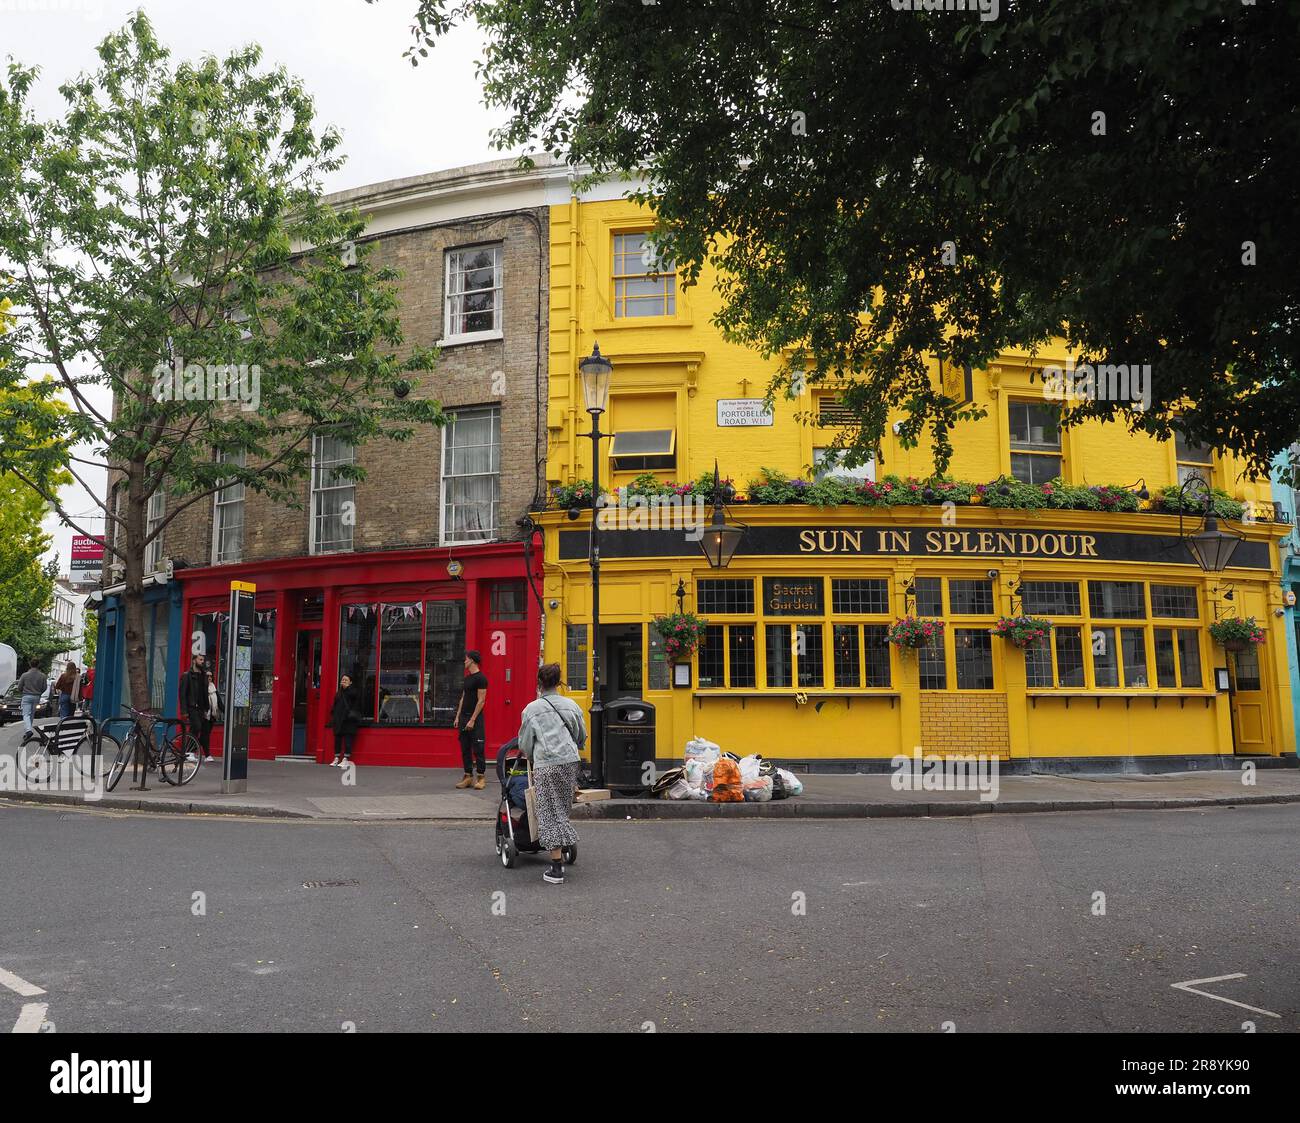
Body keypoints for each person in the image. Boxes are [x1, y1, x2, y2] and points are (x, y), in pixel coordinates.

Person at [517, 663, 586, 885]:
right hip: (569, 761)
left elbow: (525, 744)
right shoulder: (571, 705)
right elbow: (581, 735)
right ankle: (564, 841)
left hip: (546, 763)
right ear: (559, 682)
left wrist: (530, 755)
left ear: (539, 682)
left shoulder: (531, 709)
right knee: (562, 808)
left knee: (548, 811)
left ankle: (556, 869)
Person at [453, 650, 488, 790]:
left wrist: (472, 719)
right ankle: (467, 776)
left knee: (478, 748)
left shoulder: (481, 678)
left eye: (466, 659)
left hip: (476, 718)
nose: (464, 661)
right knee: (465, 747)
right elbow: (463, 698)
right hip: (464, 717)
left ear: (472, 660)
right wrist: (458, 716)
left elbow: (481, 701)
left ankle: (480, 777)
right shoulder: (467, 679)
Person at [180, 654, 211, 764]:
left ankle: (188, 752)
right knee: (196, 726)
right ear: (194, 660)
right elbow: (182, 694)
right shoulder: (187, 675)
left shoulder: (203, 675)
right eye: (200, 659)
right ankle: (189, 751)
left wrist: (207, 707)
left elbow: (204, 693)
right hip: (192, 707)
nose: (202, 661)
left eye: (203, 660)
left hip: (201, 708)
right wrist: (184, 710)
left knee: (197, 728)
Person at [329, 675, 361, 767]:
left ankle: (346, 759)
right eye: (342, 679)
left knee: (347, 741)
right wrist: (333, 715)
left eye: (346, 680)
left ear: (350, 682)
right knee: (337, 740)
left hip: (348, 720)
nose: (343, 681)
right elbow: (335, 705)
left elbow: (354, 698)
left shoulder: (353, 691)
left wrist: (347, 688)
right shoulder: (338, 693)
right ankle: (336, 758)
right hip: (338, 720)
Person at [16, 659, 48, 737]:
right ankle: (28, 731)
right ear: (38, 665)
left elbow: (19, 687)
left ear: (30, 664)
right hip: (36, 696)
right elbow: (44, 687)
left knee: (26, 714)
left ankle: (28, 730)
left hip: (26, 696)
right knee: (31, 714)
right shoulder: (42, 676)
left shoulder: (25, 675)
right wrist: (39, 692)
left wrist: (22, 691)